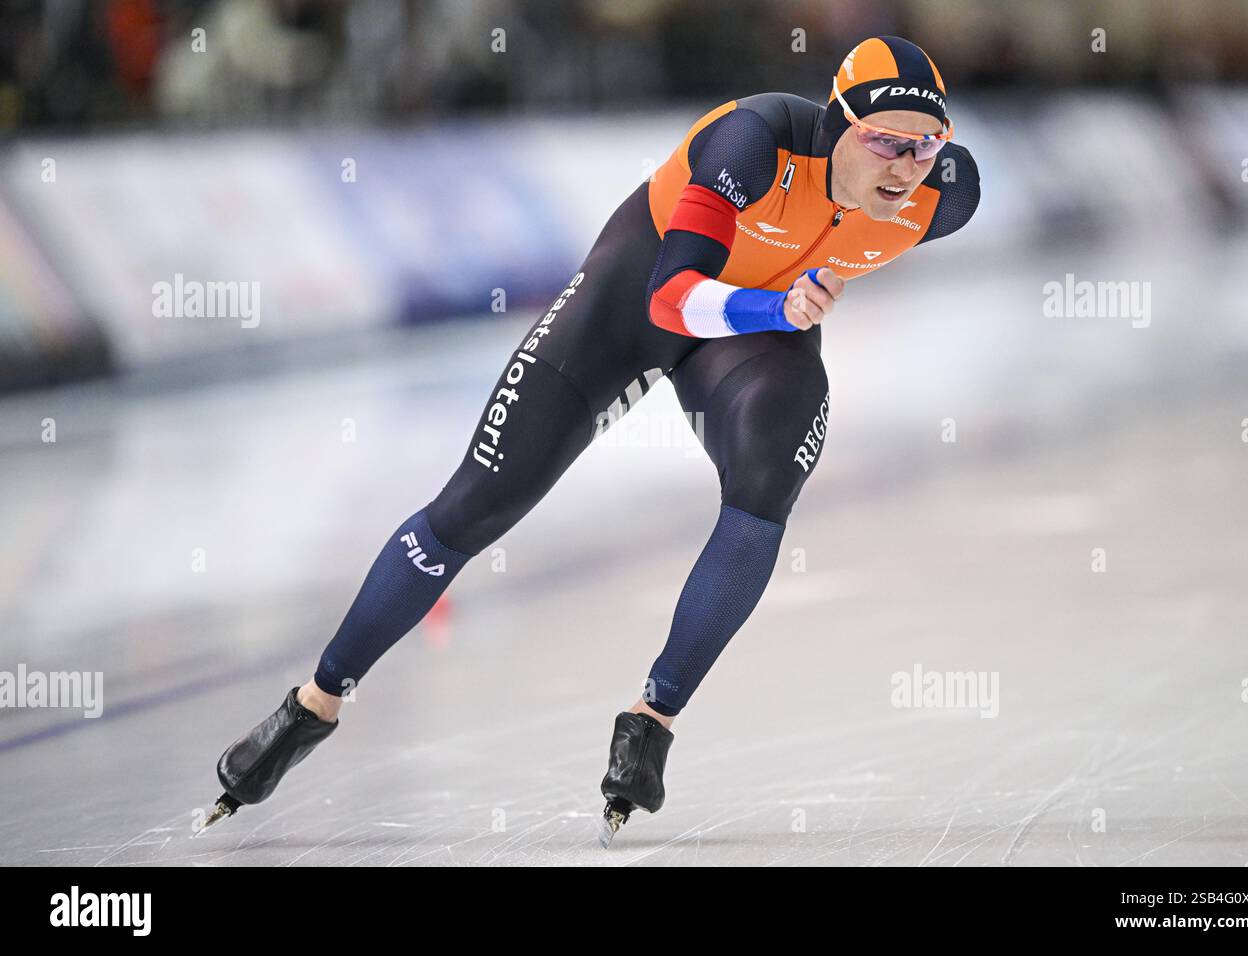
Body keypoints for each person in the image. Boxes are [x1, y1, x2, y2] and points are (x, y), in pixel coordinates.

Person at [203, 35, 980, 845]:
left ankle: (652, 722)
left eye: (929, 145)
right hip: (643, 297)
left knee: (770, 473)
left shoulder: (946, 195)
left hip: (759, 330)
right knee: (478, 505)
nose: (909, 167)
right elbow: (674, 298)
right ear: (839, 122)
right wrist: (777, 311)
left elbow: (898, 198)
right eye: (889, 141)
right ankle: (315, 703)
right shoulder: (754, 143)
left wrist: (780, 312)